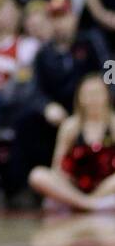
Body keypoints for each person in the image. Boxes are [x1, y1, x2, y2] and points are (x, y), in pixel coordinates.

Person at [28, 73, 115, 212]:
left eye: (97, 93)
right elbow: (57, 167)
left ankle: (89, 203)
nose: (93, 99)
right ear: (79, 97)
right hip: (74, 188)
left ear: (107, 96)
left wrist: (100, 191)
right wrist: (68, 180)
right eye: (88, 94)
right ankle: (86, 204)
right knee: (37, 175)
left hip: (106, 189)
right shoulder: (70, 126)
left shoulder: (113, 124)